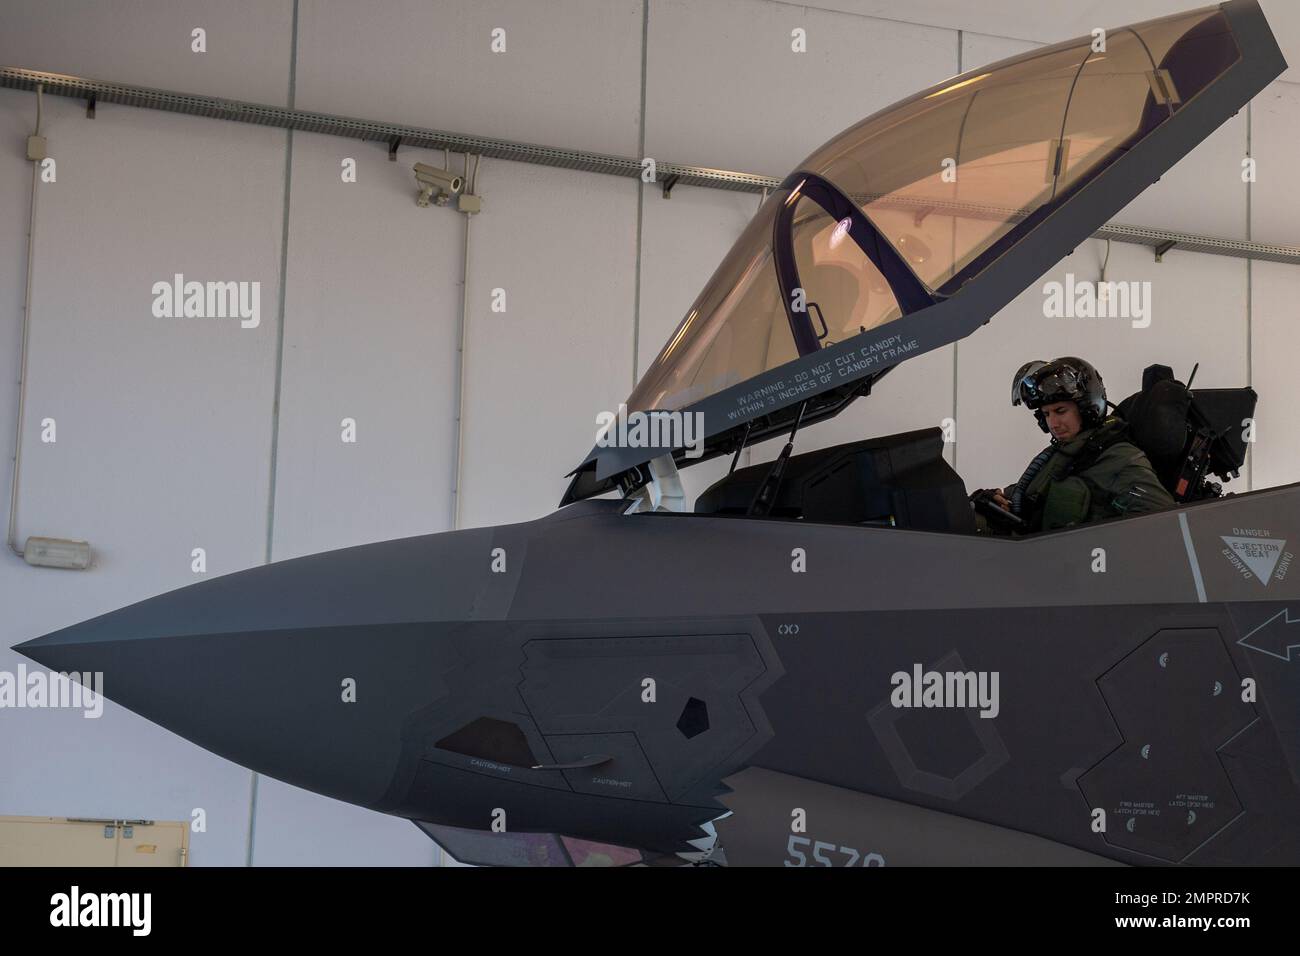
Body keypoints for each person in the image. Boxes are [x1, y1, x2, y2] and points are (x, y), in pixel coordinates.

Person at [974, 357, 1174, 533]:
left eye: (1060, 411)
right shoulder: (1069, 451)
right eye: (1046, 414)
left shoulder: (1118, 458)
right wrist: (995, 500)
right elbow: (1033, 492)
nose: (1053, 423)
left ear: (1087, 407)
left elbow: (1162, 521)